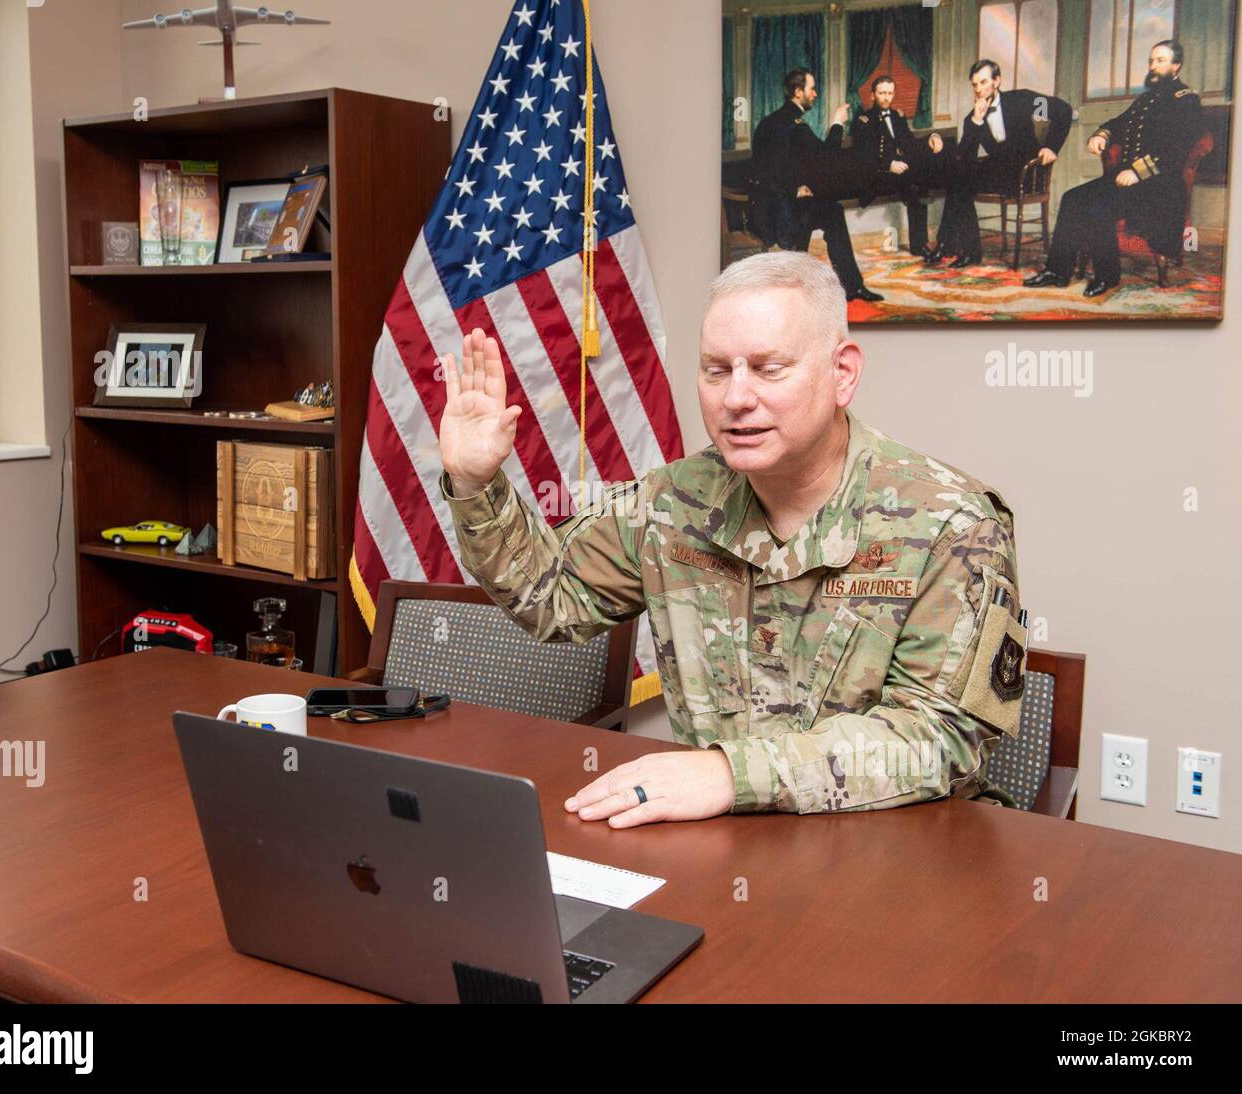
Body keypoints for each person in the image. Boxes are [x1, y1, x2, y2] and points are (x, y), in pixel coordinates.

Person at [435, 251, 1025, 827]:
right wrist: (474, 481)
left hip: (891, 850)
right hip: (720, 844)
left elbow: (939, 738)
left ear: (841, 373)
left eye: (769, 369)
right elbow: (553, 601)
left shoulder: (951, 522)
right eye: (717, 370)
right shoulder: (674, 500)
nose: (735, 398)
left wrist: (727, 775)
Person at [1024, 40, 1203, 298]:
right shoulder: (1146, 99)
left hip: (1160, 187)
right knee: (1072, 197)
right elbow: (1118, 122)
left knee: (1099, 205)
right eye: (1151, 60)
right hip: (1127, 181)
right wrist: (1102, 134)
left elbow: (1178, 149)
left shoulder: (1185, 99)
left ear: (1176, 65)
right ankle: (1057, 271)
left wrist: (1138, 172)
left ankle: (1107, 276)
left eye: (1160, 61)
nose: (1153, 66)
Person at [750, 68, 883, 302]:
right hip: (782, 213)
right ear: (798, 91)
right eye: (811, 89)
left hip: (768, 208)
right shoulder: (795, 124)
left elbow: (772, 167)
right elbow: (825, 157)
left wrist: (796, 186)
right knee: (832, 212)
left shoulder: (771, 121)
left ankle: (846, 287)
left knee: (830, 210)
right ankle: (849, 287)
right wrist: (837, 122)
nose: (815, 94)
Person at [927, 59, 1072, 268]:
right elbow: (964, 157)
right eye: (975, 85)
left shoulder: (1022, 100)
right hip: (998, 173)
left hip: (1027, 173)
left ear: (997, 81)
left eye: (983, 82)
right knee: (958, 177)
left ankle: (949, 245)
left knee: (959, 181)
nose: (978, 89)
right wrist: (976, 122)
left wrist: (1051, 147)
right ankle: (965, 250)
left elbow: (1063, 111)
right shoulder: (973, 117)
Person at [849, 75, 945, 257]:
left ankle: (921, 245)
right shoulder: (864, 120)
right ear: (872, 95)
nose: (886, 97)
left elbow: (911, 145)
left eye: (890, 93)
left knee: (917, 180)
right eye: (882, 93)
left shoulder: (897, 117)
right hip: (877, 173)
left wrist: (933, 136)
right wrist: (889, 165)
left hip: (899, 173)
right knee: (915, 182)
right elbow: (864, 155)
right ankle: (921, 245)